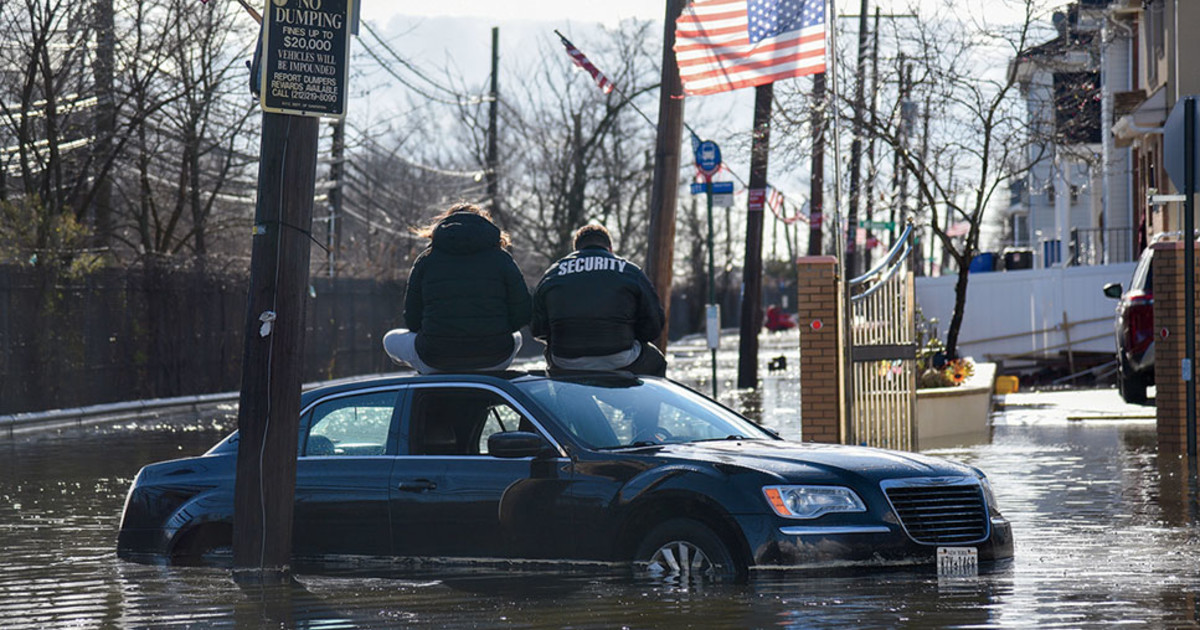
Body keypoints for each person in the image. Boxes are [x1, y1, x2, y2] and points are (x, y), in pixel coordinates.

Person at [383, 203, 531, 373]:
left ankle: (429, 373)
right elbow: (522, 315)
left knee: (390, 339)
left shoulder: (426, 260)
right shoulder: (502, 259)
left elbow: (412, 321)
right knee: (517, 337)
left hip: (435, 358)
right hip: (495, 357)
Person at [531, 223, 667, 376]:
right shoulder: (630, 271)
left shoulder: (552, 274)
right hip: (620, 357)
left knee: (551, 355)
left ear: (576, 250)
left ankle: (561, 391)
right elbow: (654, 324)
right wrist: (629, 335)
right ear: (610, 248)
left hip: (565, 359)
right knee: (656, 361)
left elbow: (537, 329)